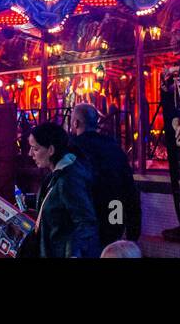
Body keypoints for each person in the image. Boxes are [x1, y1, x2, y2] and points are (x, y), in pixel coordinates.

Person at [69, 103, 141, 249]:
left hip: (89, 214)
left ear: (76, 123)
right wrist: (134, 229)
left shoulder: (73, 148)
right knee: (111, 247)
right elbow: (129, 186)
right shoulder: (113, 147)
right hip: (115, 210)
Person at [28, 121, 99, 258]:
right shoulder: (57, 175)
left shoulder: (69, 179)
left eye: (35, 149)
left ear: (51, 150)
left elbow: (86, 222)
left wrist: (75, 254)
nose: (30, 153)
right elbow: (56, 206)